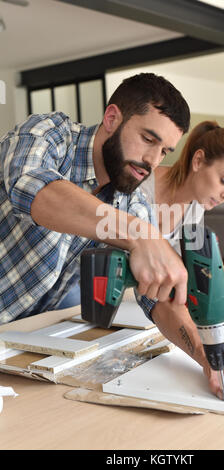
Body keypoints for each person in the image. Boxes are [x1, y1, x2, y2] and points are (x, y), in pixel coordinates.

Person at [0, 72, 190, 324]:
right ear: (112, 118)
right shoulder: (49, 135)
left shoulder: (134, 202)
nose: (153, 161)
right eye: (147, 139)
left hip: (22, 333)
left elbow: (158, 300)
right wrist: (138, 234)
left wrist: (208, 352)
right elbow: (31, 188)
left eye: (164, 151)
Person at [140, 121, 224, 326]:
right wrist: (214, 303)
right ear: (198, 160)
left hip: (139, 310)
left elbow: (185, 270)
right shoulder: (140, 189)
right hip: (82, 297)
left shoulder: (196, 206)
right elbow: (149, 271)